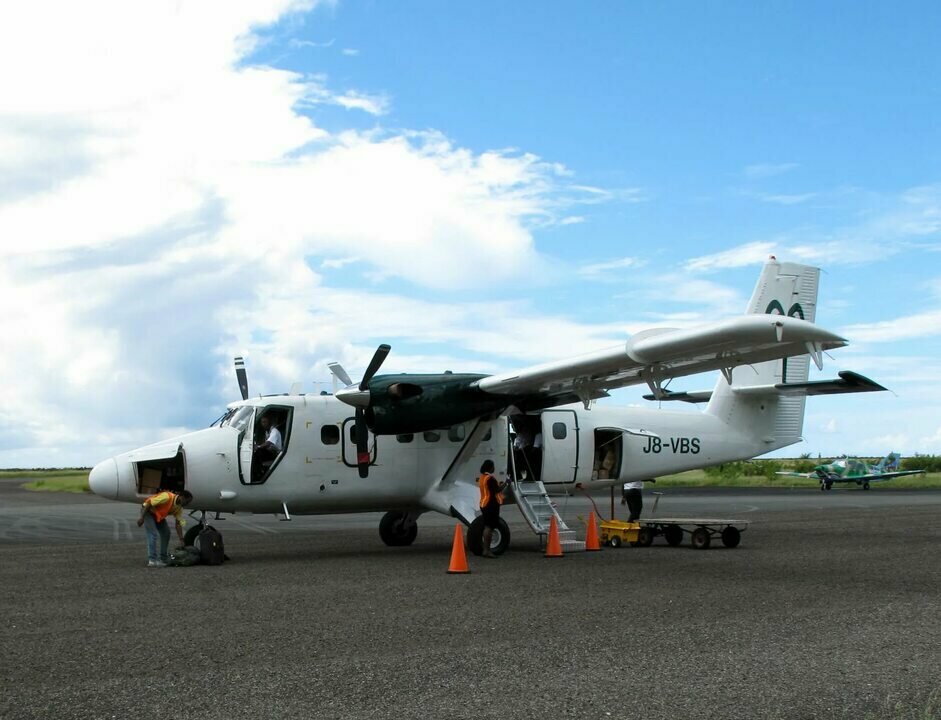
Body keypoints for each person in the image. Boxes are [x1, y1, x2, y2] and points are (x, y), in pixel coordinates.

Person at [137, 489, 193, 567]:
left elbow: (178, 524)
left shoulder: (179, 508)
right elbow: (149, 503)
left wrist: (181, 539)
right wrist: (142, 518)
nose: (187, 504)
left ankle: (163, 558)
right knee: (152, 534)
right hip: (148, 511)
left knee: (166, 533)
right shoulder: (167, 496)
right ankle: (152, 560)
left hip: (158, 515)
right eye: (187, 501)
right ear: (182, 497)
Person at [478, 459, 504, 558]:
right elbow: (497, 490)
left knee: (487, 526)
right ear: (490, 467)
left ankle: (486, 549)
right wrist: (506, 484)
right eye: (493, 466)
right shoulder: (490, 478)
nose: (494, 468)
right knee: (489, 527)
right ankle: (487, 550)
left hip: (484, 504)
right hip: (491, 505)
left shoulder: (482, 478)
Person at [252, 415, 282, 482]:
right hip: (270, 452)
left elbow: (269, 442)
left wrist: (258, 447)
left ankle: (258, 474)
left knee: (259, 451)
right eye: (262, 422)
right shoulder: (267, 432)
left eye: (265, 422)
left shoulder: (274, 431)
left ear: (269, 422)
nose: (263, 424)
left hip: (276, 454)